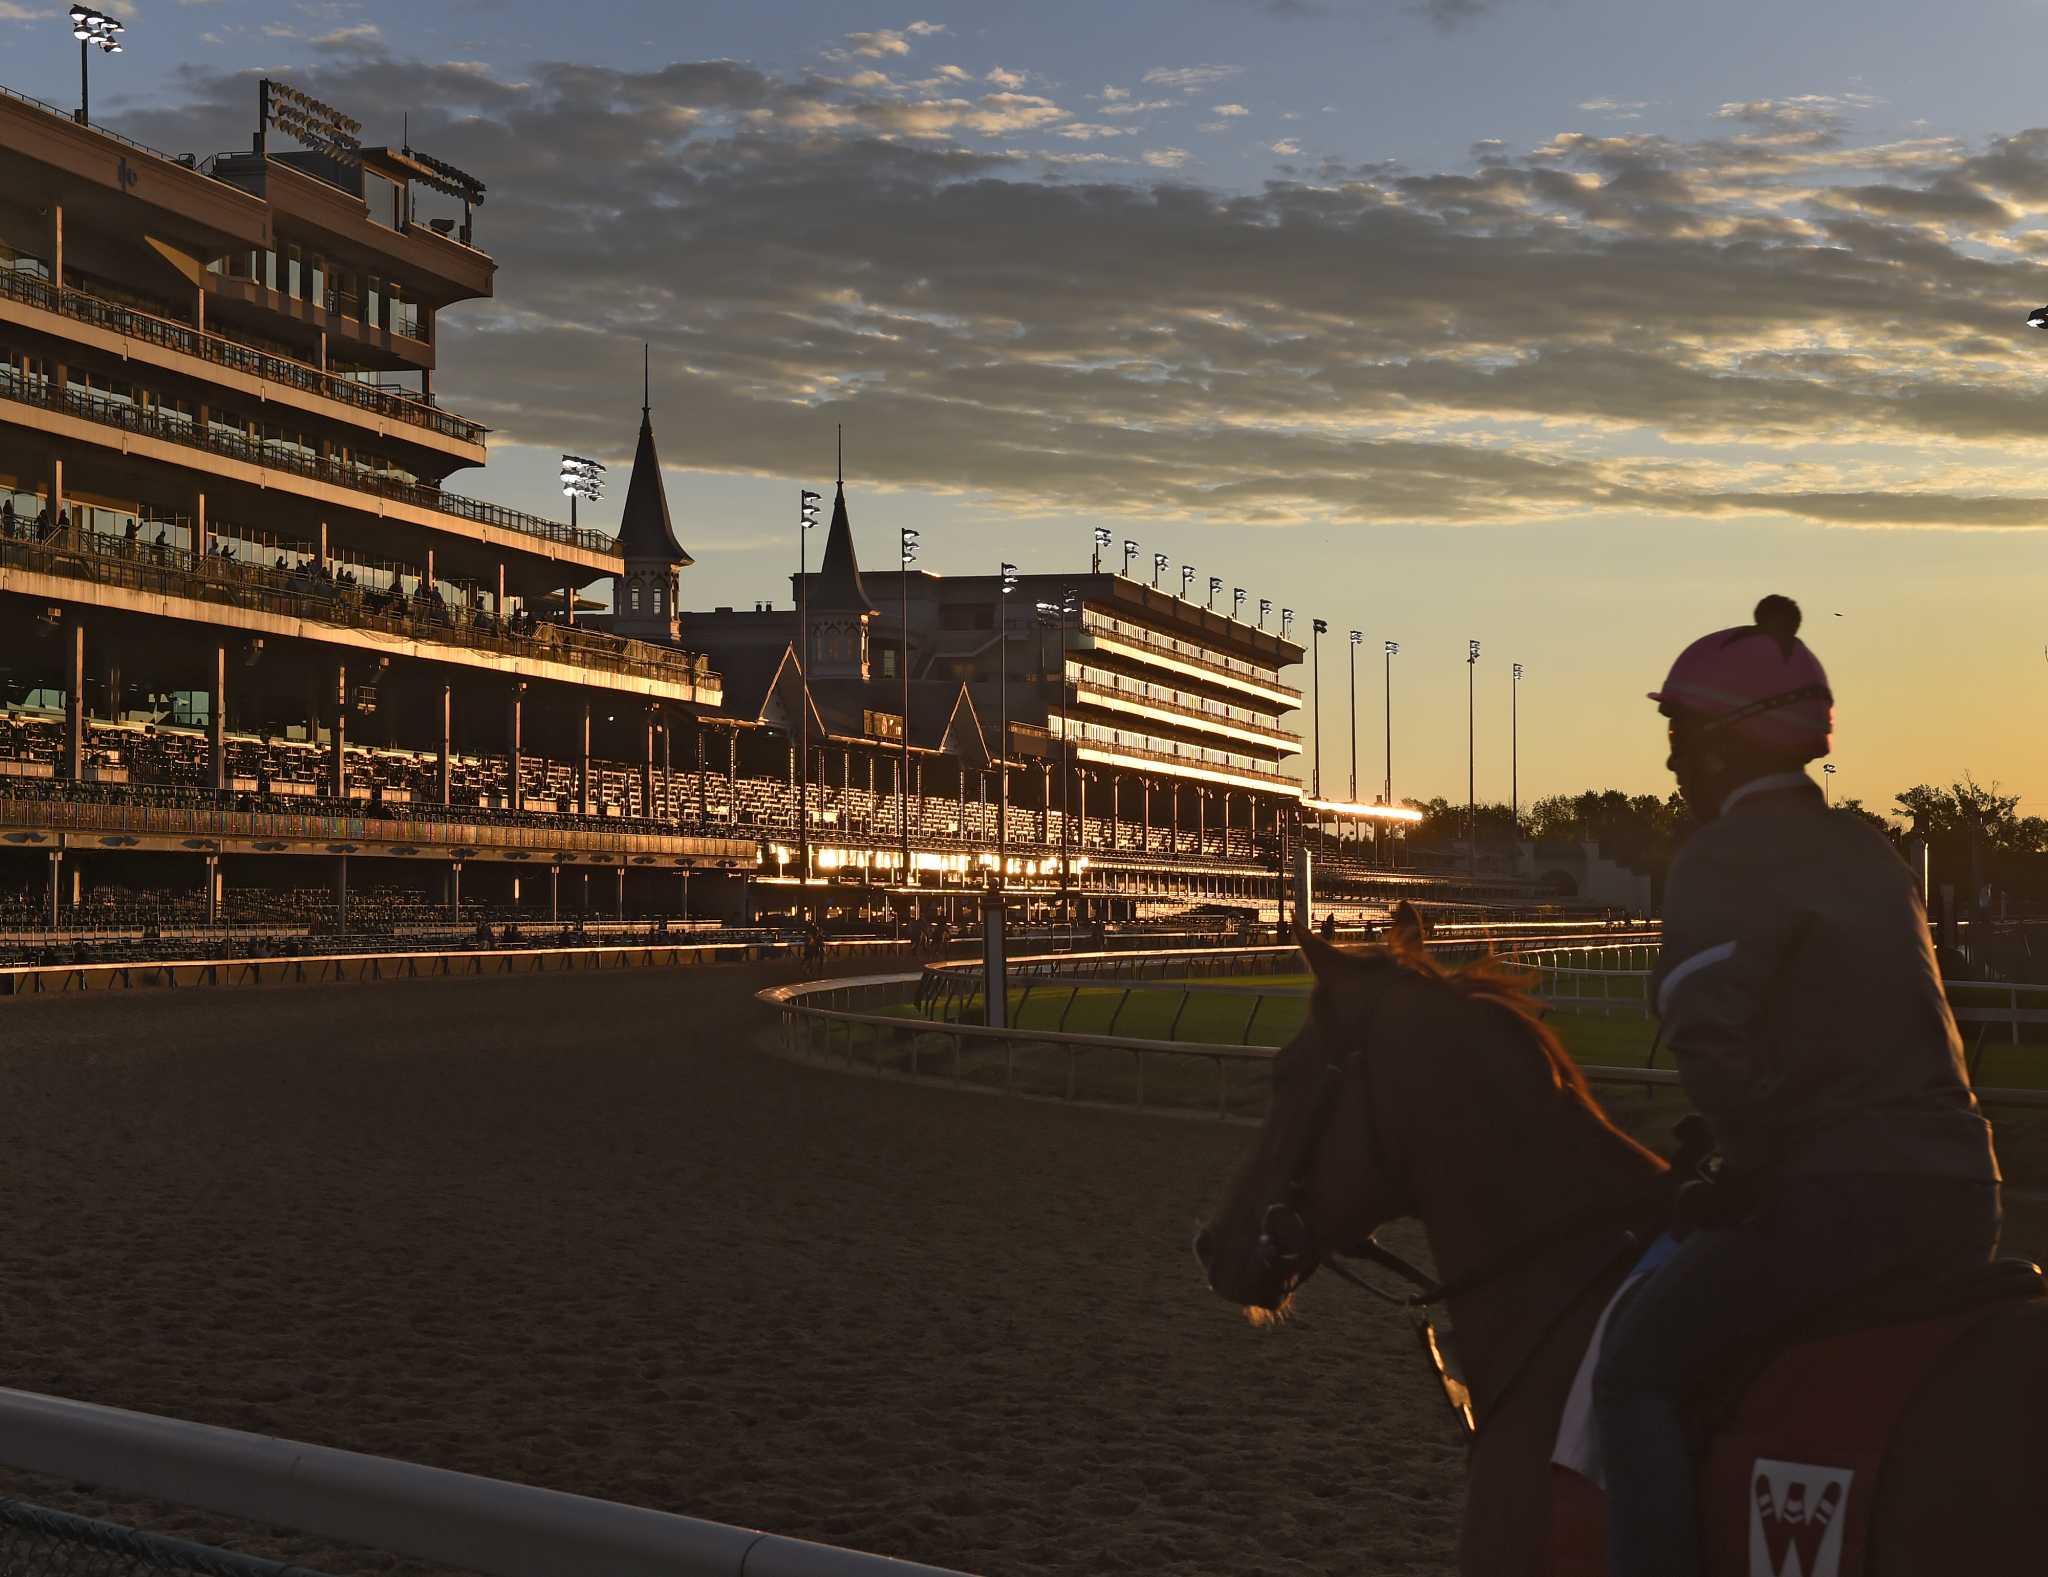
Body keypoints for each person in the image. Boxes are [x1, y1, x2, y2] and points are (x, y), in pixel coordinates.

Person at [1591, 596, 2000, 1577]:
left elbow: (1708, 1041)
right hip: (1962, 1197)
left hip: (1840, 1205)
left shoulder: (1718, 859)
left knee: (1631, 1369)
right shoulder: (1869, 851)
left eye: (1680, 735)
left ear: (1733, 743)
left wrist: (1744, 1164)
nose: (1671, 762)